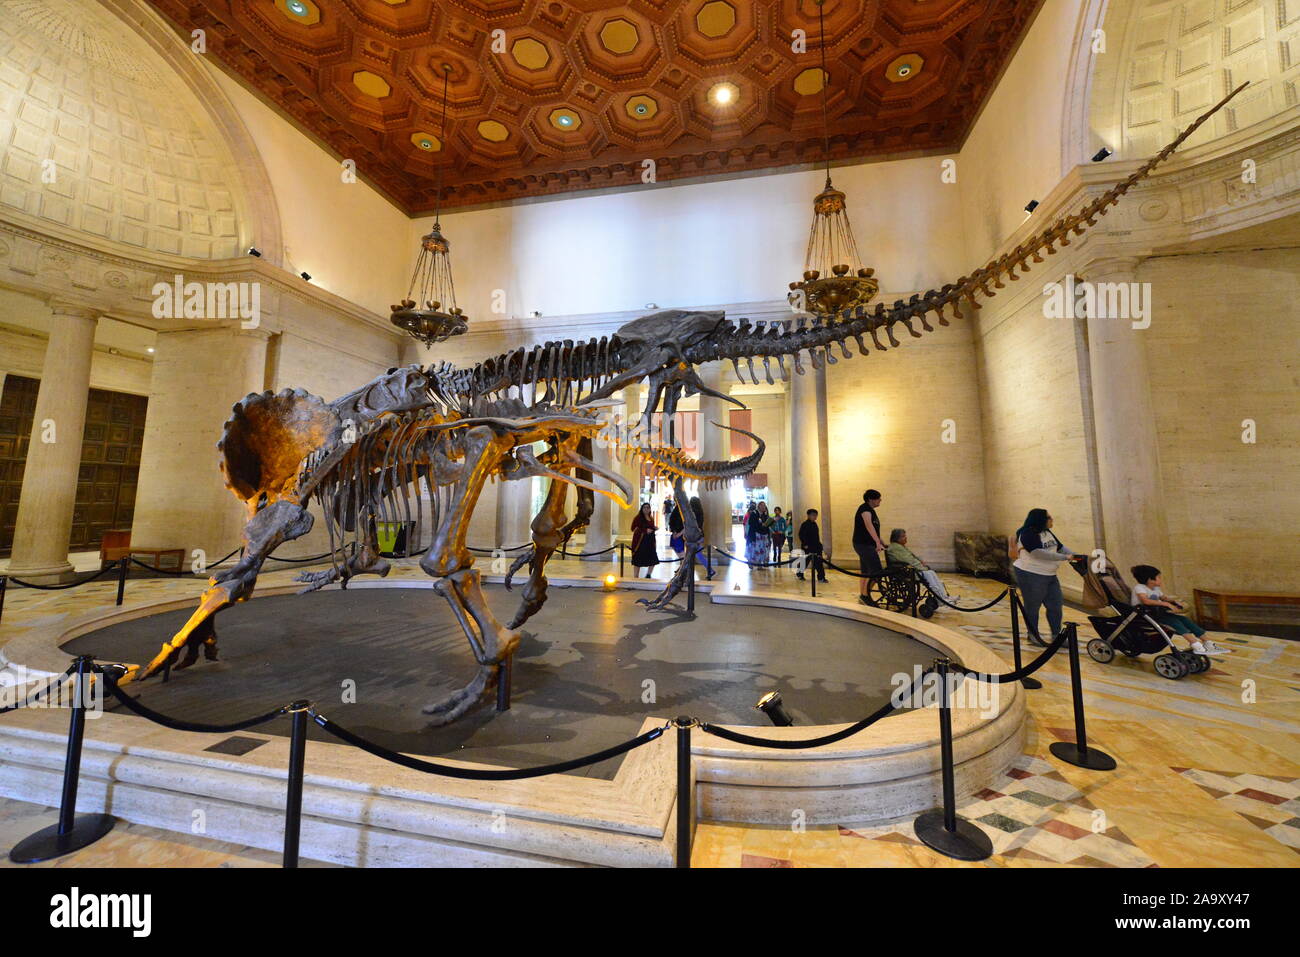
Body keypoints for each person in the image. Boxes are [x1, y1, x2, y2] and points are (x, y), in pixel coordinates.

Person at [1012, 508, 1086, 640]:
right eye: (1049, 517)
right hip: (1031, 573)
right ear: (1040, 519)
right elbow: (1037, 553)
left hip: (1050, 574)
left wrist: (1076, 556)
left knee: (1055, 605)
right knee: (1033, 607)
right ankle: (1033, 634)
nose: (1052, 519)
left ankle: (1056, 635)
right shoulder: (1027, 533)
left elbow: (1060, 548)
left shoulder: (1047, 532)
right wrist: (1064, 557)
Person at [1130, 565, 1231, 655]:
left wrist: (1175, 601)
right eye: (1158, 577)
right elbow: (1145, 601)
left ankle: (1207, 643)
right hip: (1145, 615)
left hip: (1158, 613)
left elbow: (1164, 598)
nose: (1161, 579)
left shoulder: (1156, 589)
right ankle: (1195, 644)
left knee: (1185, 620)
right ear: (1150, 579)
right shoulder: (1139, 587)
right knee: (1175, 622)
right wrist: (1165, 604)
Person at [885, 528, 955, 601]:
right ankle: (941, 599)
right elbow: (909, 560)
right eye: (903, 536)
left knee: (931, 573)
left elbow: (912, 557)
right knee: (928, 574)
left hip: (910, 569)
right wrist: (923, 567)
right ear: (897, 538)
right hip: (906, 572)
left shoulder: (899, 546)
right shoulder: (895, 548)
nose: (906, 538)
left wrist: (921, 562)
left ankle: (944, 597)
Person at [853, 489, 885, 603]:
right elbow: (869, 526)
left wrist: (881, 541)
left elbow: (874, 529)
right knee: (877, 571)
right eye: (878, 498)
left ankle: (863, 595)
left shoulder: (870, 510)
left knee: (866, 571)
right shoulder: (865, 509)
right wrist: (877, 542)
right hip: (863, 544)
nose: (880, 500)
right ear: (871, 499)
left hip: (865, 544)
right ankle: (865, 596)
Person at [795, 508, 827, 582]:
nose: (815, 517)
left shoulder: (815, 524)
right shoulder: (805, 524)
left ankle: (821, 577)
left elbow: (816, 536)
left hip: (816, 547)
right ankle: (799, 574)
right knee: (805, 561)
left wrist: (820, 545)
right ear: (808, 515)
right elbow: (801, 535)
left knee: (818, 562)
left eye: (816, 515)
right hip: (807, 547)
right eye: (813, 515)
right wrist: (805, 544)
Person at [630, 502, 659, 578]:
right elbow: (633, 529)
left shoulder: (651, 518)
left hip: (650, 541)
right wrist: (645, 530)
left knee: (653, 558)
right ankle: (636, 576)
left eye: (648, 507)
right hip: (640, 542)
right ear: (642, 509)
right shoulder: (638, 518)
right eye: (644, 507)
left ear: (650, 509)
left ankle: (648, 574)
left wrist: (654, 528)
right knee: (638, 559)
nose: (646, 509)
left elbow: (650, 527)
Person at [689, 495, 715, 579]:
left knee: (697, 555)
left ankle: (710, 570)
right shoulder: (700, 512)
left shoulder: (692, 513)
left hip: (695, 536)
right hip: (700, 535)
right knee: (695, 555)